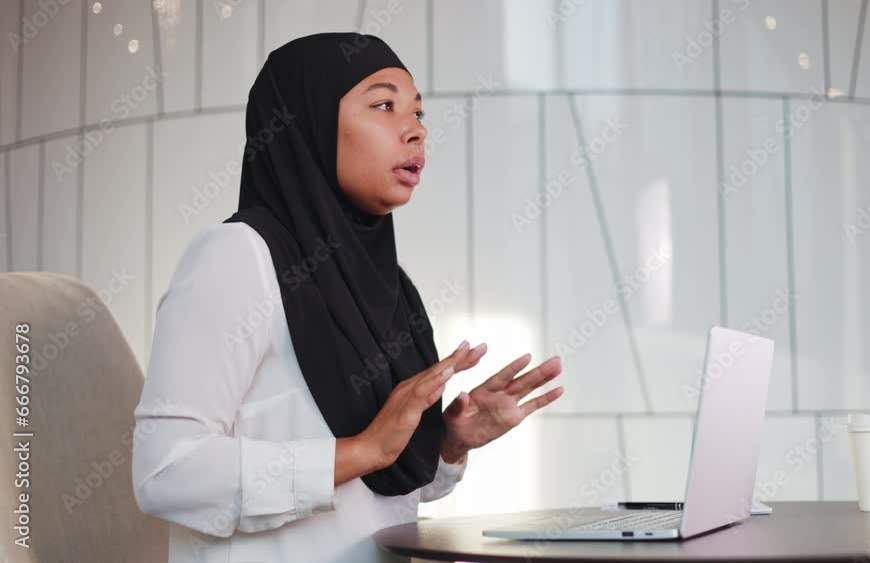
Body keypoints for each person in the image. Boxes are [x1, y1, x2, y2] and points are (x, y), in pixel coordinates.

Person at [131, 32, 564, 562]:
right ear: (307, 120)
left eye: (419, 113)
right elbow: (164, 473)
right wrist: (362, 450)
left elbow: (381, 494)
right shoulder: (236, 256)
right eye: (384, 105)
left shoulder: (390, 284)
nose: (415, 132)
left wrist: (448, 443)